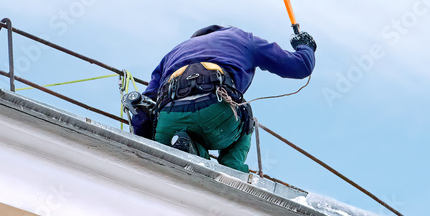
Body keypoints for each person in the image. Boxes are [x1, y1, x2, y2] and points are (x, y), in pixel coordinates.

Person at [132, 25, 316, 172]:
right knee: (246, 115)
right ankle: (232, 168)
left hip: (169, 120)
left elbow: (146, 106)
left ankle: (188, 147)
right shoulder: (242, 38)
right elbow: (301, 66)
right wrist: (305, 45)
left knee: (179, 136)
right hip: (216, 112)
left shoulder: (173, 53)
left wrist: (145, 141)